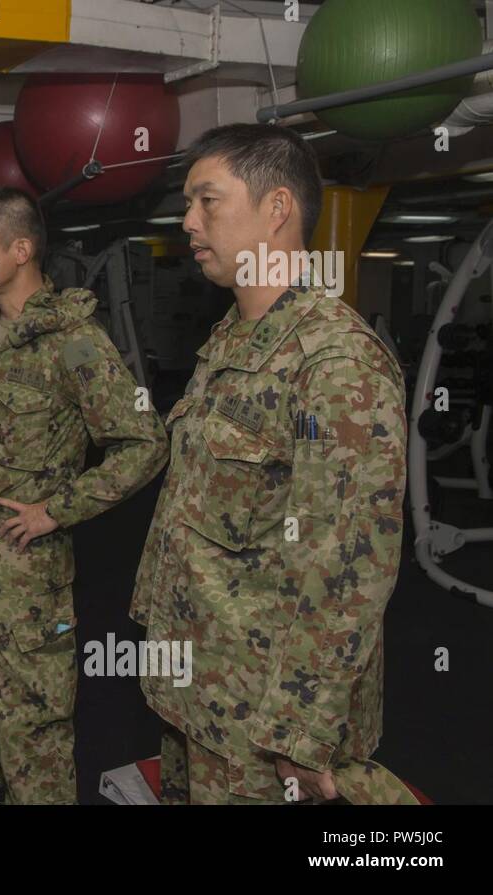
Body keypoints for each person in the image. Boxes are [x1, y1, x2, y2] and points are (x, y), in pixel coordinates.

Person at [131, 123, 406, 804]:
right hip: (199, 684)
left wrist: (300, 733)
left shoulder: (336, 362)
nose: (187, 219)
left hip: (261, 722)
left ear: (276, 207)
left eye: (207, 200)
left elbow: (349, 570)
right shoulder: (231, 337)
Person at [0, 187, 168, 804]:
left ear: (22, 250)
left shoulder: (74, 342)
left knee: (32, 736)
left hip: (24, 583)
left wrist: (56, 510)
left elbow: (144, 443)